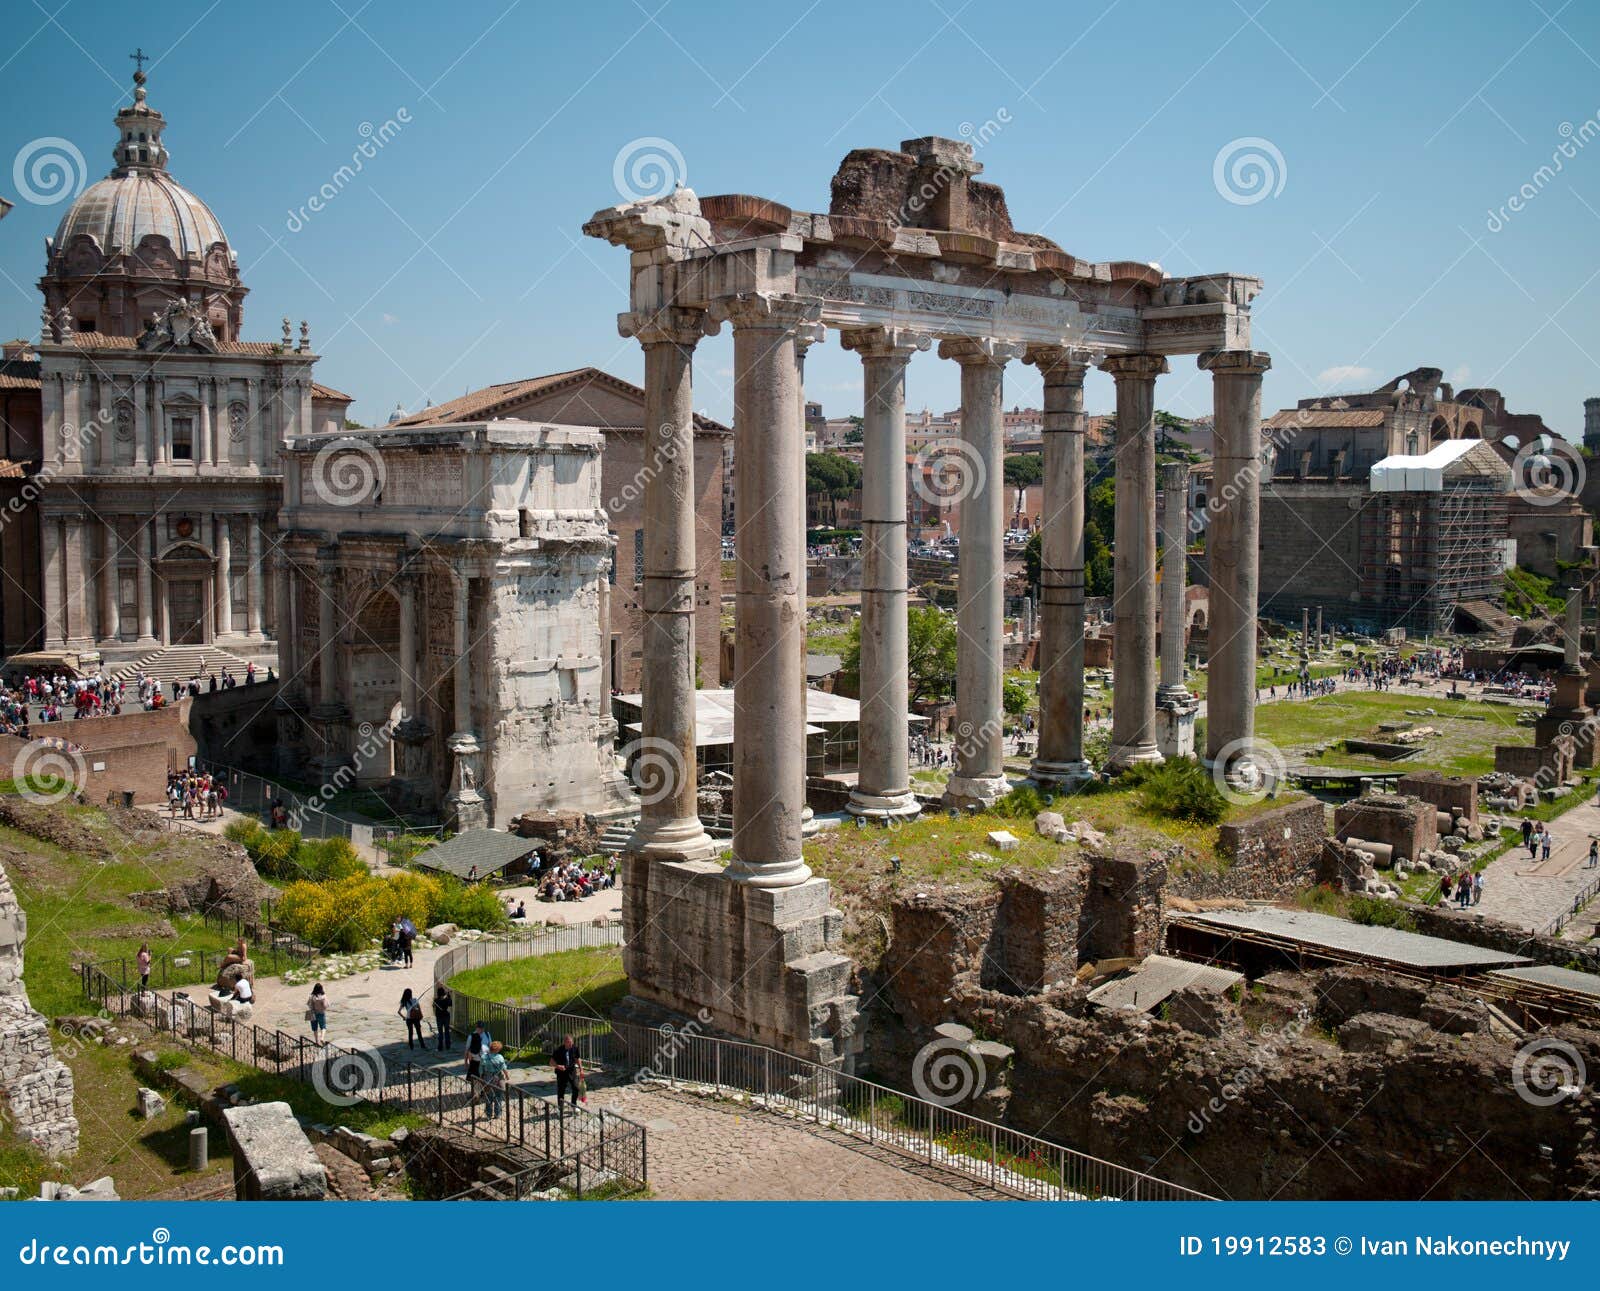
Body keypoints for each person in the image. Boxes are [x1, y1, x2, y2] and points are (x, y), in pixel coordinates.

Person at [551, 1033, 583, 1108]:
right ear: (565, 1042)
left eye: (571, 1042)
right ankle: (560, 1107)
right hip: (561, 1072)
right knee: (561, 1090)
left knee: (576, 1088)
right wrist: (558, 1066)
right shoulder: (558, 1050)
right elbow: (551, 1062)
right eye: (569, 1043)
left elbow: (577, 1058)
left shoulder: (574, 1048)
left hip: (571, 1070)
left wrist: (581, 1069)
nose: (571, 1044)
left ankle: (573, 1105)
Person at [480, 1040, 509, 1119]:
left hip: (487, 1078)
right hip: (498, 1078)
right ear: (497, 1049)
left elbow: (481, 1070)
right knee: (498, 1096)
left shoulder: (484, 1057)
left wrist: (481, 1078)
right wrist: (507, 1076)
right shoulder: (500, 1057)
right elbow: (504, 1068)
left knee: (488, 1097)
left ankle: (488, 1114)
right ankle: (497, 1114)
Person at [465, 1022, 489, 1086]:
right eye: (479, 1028)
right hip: (475, 1061)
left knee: (485, 1079)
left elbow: (490, 1045)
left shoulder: (487, 1034)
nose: (481, 1029)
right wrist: (466, 1062)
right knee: (475, 1079)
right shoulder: (471, 1036)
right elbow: (467, 1050)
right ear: (476, 1028)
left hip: (485, 1061)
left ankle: (483, 1091)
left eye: (482, 1028)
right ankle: (476, 1091)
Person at [433, 984, 453, 1051]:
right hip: (446, 1016)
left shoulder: (436, 1000)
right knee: (447, 1031)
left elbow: (433, 1006)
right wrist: (448, 996)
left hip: (439, 1017)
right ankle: (448, 1045)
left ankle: (440, 1047)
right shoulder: (446, 999)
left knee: (440, 1032)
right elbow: (450, 1004)